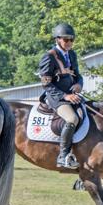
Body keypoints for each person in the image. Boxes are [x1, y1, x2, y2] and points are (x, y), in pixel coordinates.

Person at [38, 23, 84, 169]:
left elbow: (78, 75)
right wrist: (65, 96)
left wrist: (79, 85)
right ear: (57, 39)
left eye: (72, 39)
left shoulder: (72, 54)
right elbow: (46, 84)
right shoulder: (49, 57)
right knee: (72, 118)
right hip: (55, 97)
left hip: (72, 94)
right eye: (66, 39)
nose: (69, 42)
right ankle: (63, 156)